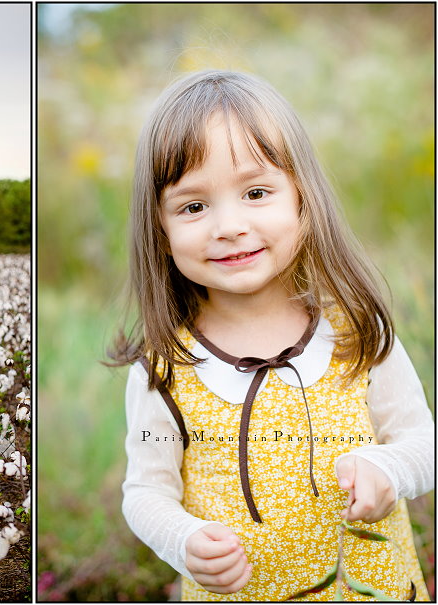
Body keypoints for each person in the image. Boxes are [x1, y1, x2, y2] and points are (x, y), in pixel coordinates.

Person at [112, 71, 433, 601]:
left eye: (256, 192)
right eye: (194, 206)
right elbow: (146, 491)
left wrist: (389, 468)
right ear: (161, 232)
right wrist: (184, 539)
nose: (229, 225)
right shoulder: (163, 368)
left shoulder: (358, 333)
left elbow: (424, 444)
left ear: (303, 203)